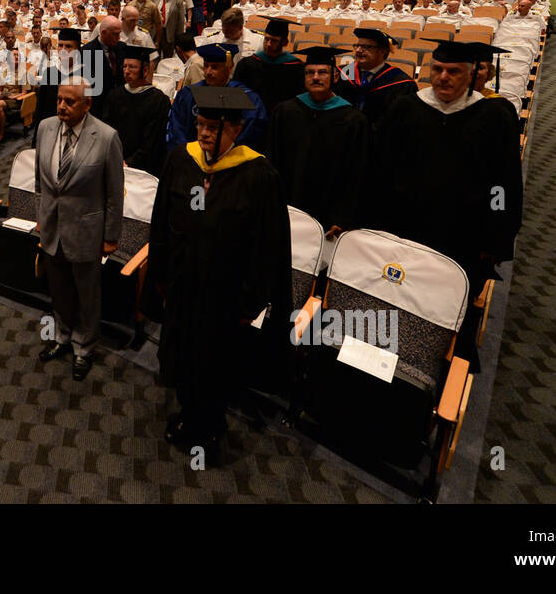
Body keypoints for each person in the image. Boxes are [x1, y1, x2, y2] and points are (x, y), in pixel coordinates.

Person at [147, 85, 291, 465]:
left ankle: (209, 427)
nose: (204, 132)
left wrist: (250, 301)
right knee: (182, 356)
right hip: (182, 284)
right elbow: (161, 219)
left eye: (213, 127)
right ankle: (187, 412)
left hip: (223, 295)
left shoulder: (259, 176)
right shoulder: (182, 159)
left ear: (236, 129)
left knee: (214, 364)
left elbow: (266, 247)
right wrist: (160, 272)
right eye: (200, 123)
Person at [372, 40, 523, 359]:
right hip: (405, 229)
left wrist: (497, 237)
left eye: (453, 71)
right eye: (437, 69)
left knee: (448, 312)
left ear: (470, 76)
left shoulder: (494, 116)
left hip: (463, 238)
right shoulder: (406, 108)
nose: (443, 77)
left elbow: (502, 184)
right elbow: (381, 168)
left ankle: (441, 371)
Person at [34, 79, 124, 382]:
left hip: (86, 229)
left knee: (87, 294)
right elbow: (40, 180)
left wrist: (111, 236)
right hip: (52, 226)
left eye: (70, 101)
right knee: (58, 288)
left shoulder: (107, 137)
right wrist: (40, 214)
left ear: (87, 104)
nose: (61, 106)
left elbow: (114, 192)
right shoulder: (45, 127)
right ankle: (62, 337)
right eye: (59, 99)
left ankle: (84, 348)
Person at [268, 47, 370, 238]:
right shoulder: (285, 112)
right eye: (310, 72)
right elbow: (273, 162)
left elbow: (356, 174)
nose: (316, 77)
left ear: (335, 77)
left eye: (322, 72)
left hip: (330, 214)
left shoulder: (353, 120)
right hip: (288, 208)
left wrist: (343, 217)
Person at [166, 43, 267, 152]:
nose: (208, 72)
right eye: (206, 65)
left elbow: (250, 135)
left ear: (230, 67)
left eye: (214, 67)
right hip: (191, 161)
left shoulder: (248, 99)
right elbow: (176, 131)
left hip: (233, 162)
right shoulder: (188, 94)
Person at [98, 44, 170, 176]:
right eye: (124, 66)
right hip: (114, 160)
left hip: (145, 169)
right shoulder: (115, 95)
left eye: (132, 67)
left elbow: (153, 140)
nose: (126, 71)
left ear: (145, 70)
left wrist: (129, 162)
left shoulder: (159, 100)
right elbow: (106, 129)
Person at [334, 27, 416, 130]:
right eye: (357, 46)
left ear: (382, 51)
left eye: (366, 47)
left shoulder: (400, 82)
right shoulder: (342, 74)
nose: (358, 50)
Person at [233, 18, 304, 115]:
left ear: (285, 43)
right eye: (266, 39)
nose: (268, 44)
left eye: (274, 41)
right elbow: (237, 95)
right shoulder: (247, 64)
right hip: (253, 117)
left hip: (283, 118)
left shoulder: (296, 67)